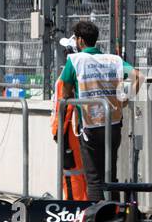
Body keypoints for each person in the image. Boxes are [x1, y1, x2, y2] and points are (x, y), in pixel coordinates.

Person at [57, 20, 139, 200]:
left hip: (90, 126)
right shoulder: (114, 60)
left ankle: (97, 216)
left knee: (94, 179)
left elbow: (65, 92)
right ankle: (115, 212)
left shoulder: (75, 60)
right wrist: (125, 99)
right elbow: (137, 76)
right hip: (113, 124)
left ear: (80, 40)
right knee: (111, 176)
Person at [50, 35, 88, 202]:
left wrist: (58, 132)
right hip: (81, 129)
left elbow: (64, 107)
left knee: (71, 171)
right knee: (82, 171)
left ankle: (73, 207)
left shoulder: (66, 78)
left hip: (70, 131)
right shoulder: (82, 73)